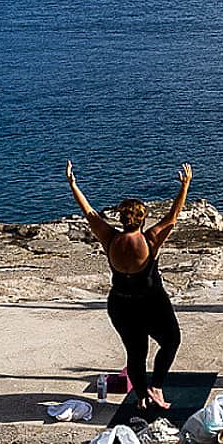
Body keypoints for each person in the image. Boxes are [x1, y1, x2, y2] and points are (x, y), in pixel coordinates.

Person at [66, 159, 191, 411]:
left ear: (122, 219)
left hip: (120, 304)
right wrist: (185, 185)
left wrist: (73, 184)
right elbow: (173, 216)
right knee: (171, 340)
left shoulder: (110, 238)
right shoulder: (151, 239)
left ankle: (142, 397)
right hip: (151, 302)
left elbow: (89, 213)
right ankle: (155, 386)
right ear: (142, 219)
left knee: (135, 351)